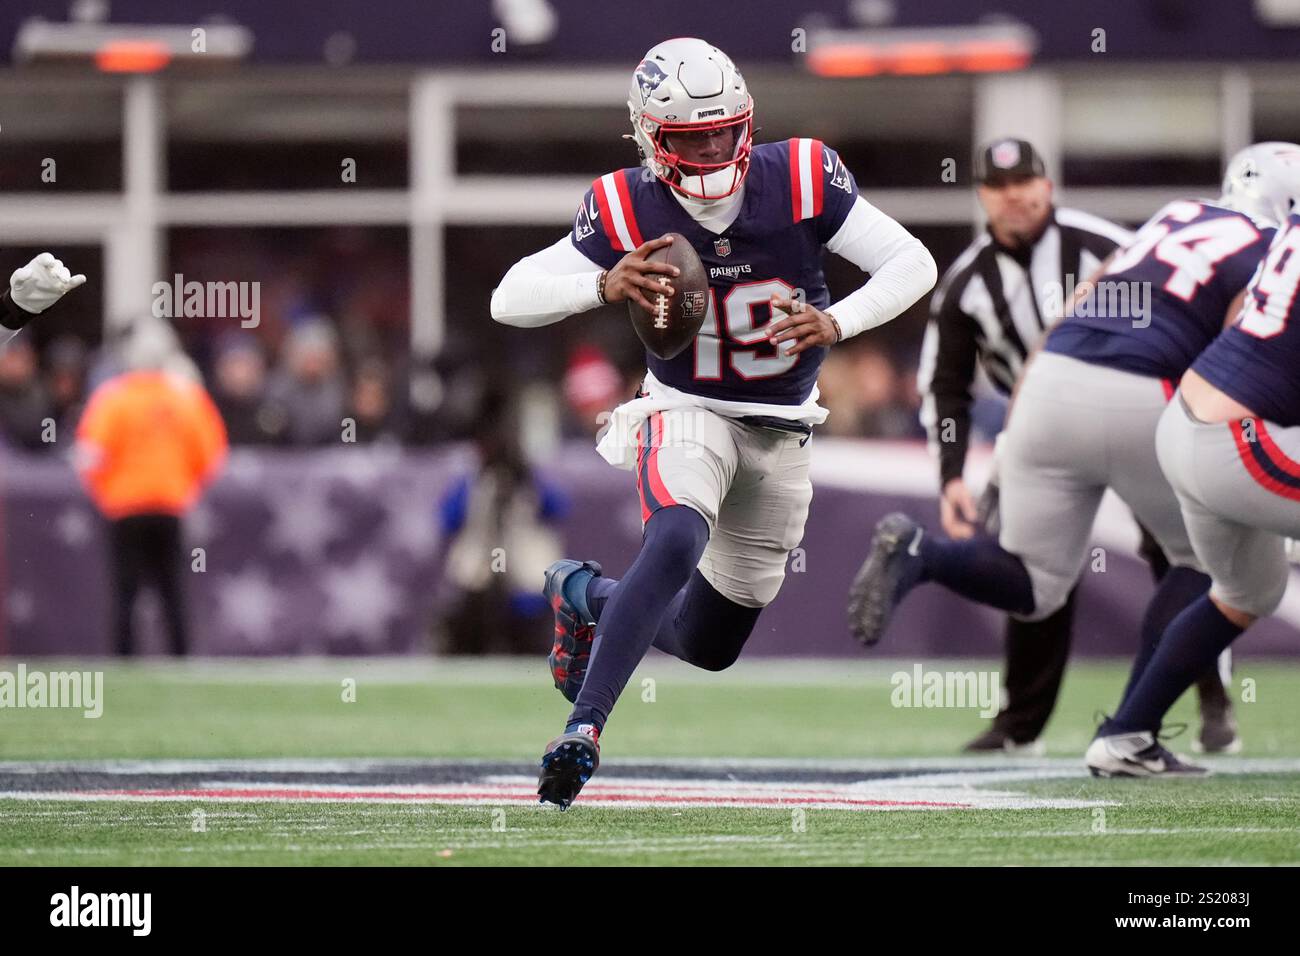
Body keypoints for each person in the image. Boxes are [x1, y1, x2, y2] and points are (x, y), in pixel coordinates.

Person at [492, 37, 936, 808]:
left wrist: (838, 323)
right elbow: (510, 296)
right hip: (685, 407)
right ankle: (583, 731)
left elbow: (912, 263)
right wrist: (602, 282)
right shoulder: (625, 202)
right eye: (691, 138)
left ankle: (586, 596)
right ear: (647, 136)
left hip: (783, 425)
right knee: (675, 536)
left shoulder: (799, 176)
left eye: (724, 131)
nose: (711, 150)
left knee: (710, 644)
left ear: (747, 123)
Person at [849, 143, 1300, 759]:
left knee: (1035, 583)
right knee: (1204, 565)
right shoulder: (1273, 249)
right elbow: (1242, 350)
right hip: (1150, 394)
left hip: (1048, 386)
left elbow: (1076, 309)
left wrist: (1013, 436)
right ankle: (1132, 729)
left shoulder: (1171, 218)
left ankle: (923, 554)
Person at [1088, 158, 1300, 775]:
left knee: (1246, 591)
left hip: (1187, 423)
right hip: (1234, 440)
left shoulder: (1278, 233)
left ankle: (1125, 736)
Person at [75, 319, 228, 655]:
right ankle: (180, 657)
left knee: (125, 590)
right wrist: (184, 485)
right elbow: (212, 453)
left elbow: (89, 457)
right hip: (169, 503)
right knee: (172, 588)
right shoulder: (185, 397)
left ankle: (123, 658)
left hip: (125, 506)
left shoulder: (114, 399)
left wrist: (108, 491)